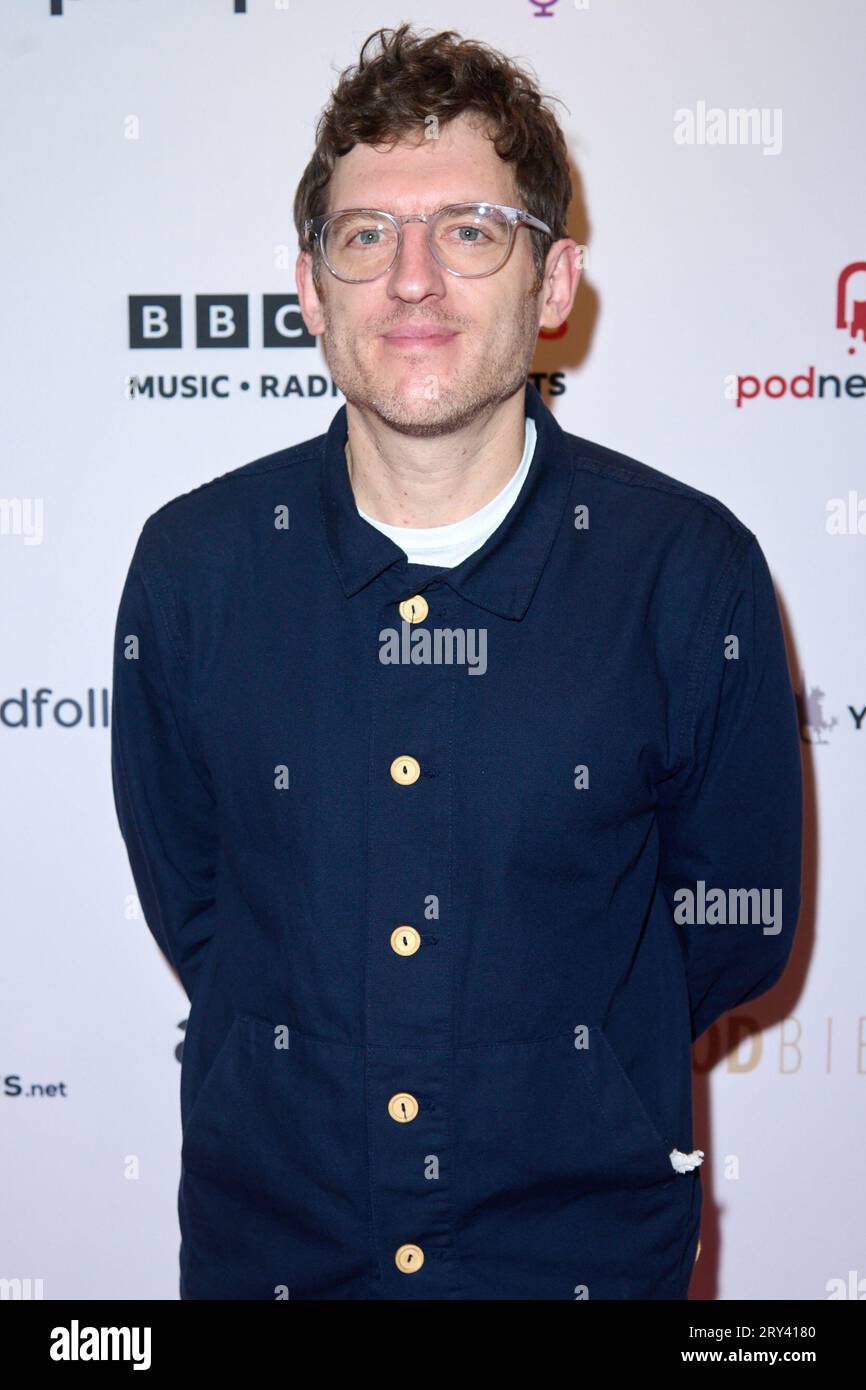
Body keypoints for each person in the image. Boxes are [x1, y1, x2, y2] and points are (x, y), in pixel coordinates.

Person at [111, 23, 803, 1300]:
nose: (412, 280)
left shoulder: (686, 570)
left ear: (551, 283)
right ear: (311, 288)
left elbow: (728, 931)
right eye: (366, 236)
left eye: (470, 229)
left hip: (582, 1267)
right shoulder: (194, 569)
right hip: (274, 1262)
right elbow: (199, 907)